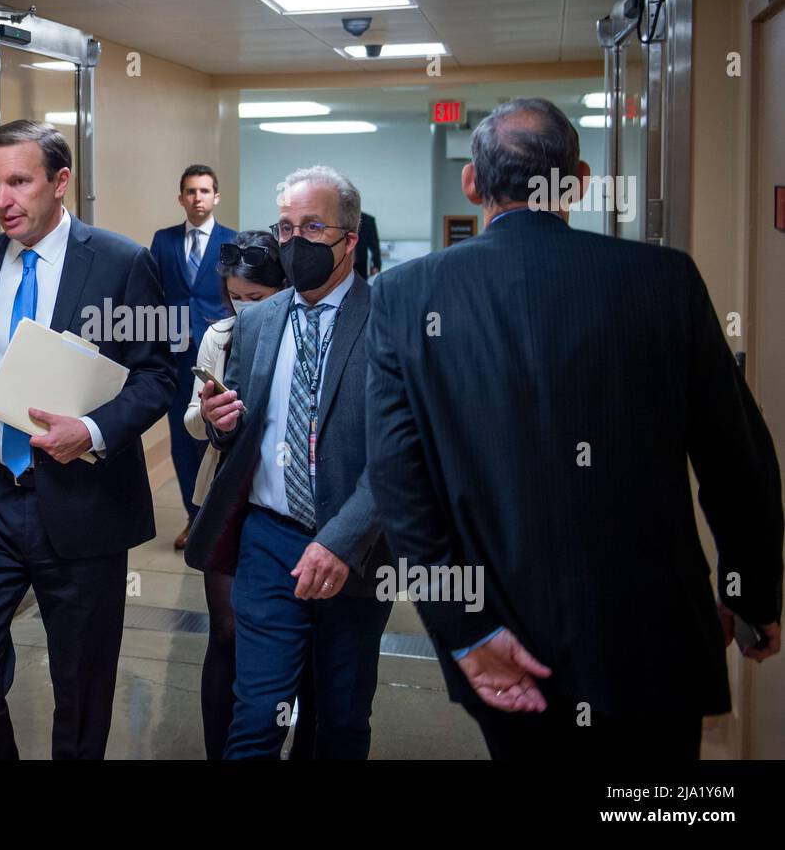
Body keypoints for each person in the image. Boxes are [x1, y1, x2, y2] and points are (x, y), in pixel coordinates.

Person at [365, 97, 783, 759]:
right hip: (653, 637)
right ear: (579, 179)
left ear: (472, 183)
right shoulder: (664, 279)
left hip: (506, 640)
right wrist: (751, 590)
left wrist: (465, 630)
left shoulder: (406, 294)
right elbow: (737, 456)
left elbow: (398, 481)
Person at [0, 120, 176, 759]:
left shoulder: (123, 263)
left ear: (61, 181)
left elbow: (156, 378)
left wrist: (93, 431)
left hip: (81, 498)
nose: (3, 200)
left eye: (19, 181)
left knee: (83, 681)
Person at [195, 166, 393, 760]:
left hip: (354, 551)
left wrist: (343, 541)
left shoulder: (391, 324)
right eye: (285, 227)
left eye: (313, 226)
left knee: (340, 719)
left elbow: (401, 452)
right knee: (255, 715)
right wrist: (219, 422)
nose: (295, 241)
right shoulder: (255, 322)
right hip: (268, 541)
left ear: (349, 239)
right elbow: (240, 431)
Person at [181, 230, 291, 759]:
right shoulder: (219, 336)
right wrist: (207, 413)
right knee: (225, 633)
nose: (244, 310)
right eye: (236, 298)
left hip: (283, 497)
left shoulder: (301, 334)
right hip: (224, 495)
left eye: (257, 298)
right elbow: (189, 419)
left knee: (286, 639)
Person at [150, 165, 237, 549]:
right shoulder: (164, 241)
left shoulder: (231, 241)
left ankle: (220, 517)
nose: (197, 197)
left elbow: (240, 293)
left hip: (219, 353)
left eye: (204, 191)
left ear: (216, 196)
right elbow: (152, 293)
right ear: (181, 197)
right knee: (182, 440)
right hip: (175, 356)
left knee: (217, 437)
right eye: (190, 191)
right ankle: (193, 517)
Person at [353, 211, 381, 278]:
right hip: (340, 264)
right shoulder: (338, 217)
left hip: (361, 264)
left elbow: (374, 245)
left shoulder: (368, 220)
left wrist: (376, 264)